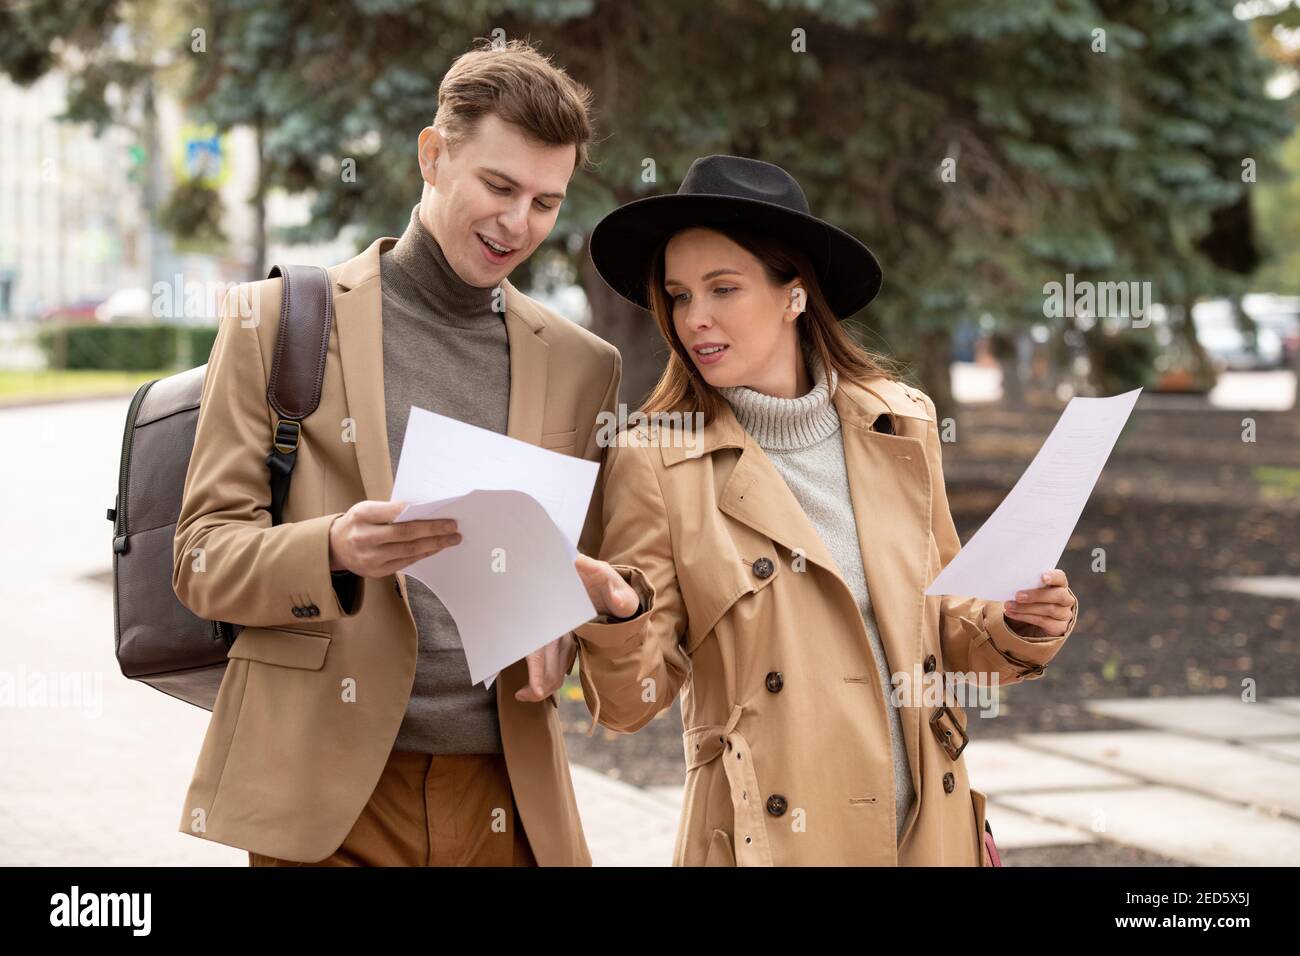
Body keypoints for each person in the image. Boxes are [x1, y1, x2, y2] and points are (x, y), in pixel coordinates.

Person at [172, 38, 619, 866]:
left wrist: (577, 608)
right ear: (433, 155)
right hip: (327, 798)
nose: (518, 223)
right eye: (498, 185)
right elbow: (201, 560)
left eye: (546, 201)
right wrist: (333, 548)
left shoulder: (583, 365)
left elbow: (588, 585)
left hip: (507, 795)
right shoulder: (275, 322)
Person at [570, 154, 1080, 865]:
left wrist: (1017, 622)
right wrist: (618, 616)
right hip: (769, 843)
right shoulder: (656, 459)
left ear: (796, 295)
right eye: (679, 294)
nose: (696, 318)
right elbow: (628, 705)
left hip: (925, 833)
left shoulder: (900, 423)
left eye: (724, 288)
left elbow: (947, 630)